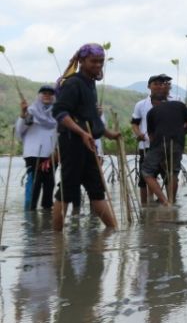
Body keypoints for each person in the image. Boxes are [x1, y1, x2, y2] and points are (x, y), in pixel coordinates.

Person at [50, 44, 120, 231]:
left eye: (101, 61)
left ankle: (113, 231)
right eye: (93, 61)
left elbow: (90, 118)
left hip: (87, 143)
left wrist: (108, 133)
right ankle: (56, 238)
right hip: (72, 142)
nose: (98, 65)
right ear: (81, 61)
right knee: (67, 189)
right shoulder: (73, 83)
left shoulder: (90, 83)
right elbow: (60, 113)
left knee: (97, 189)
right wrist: (81, 133)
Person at [142, 83, 187, 206]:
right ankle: (172, 201)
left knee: (146, 171)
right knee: (173, 173)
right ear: (166, 99)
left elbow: (151, 136)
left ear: (153, 102)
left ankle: (164, 201)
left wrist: (156, 152)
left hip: (159, 143)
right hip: (177, 143)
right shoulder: (179, 105)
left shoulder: (152, 112)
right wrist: (183, 133)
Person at [130, 74, 171, 204]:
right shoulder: (141, 105)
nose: (159, 86)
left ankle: (170, 204)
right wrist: (139, 134)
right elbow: (134, 123)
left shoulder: (171, 103)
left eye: (161, 84)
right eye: (155, 84)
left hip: (166, 147)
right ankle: (144, 207)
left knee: (168, 178)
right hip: (147, 147)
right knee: (144, 179)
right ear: (149, 86)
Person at [17, 85, 57, 210]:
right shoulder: (31, 112)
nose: (47, 96)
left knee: (49, 186)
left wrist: (57, 151)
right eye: (44, 93)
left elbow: (60, 134)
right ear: (38, 96)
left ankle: (47, 217)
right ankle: (29, 214)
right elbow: (19, 132)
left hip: (51, 156)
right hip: (33, 155)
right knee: (34, 186)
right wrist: (22, 115)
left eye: (50, 94)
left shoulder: (57, 113)